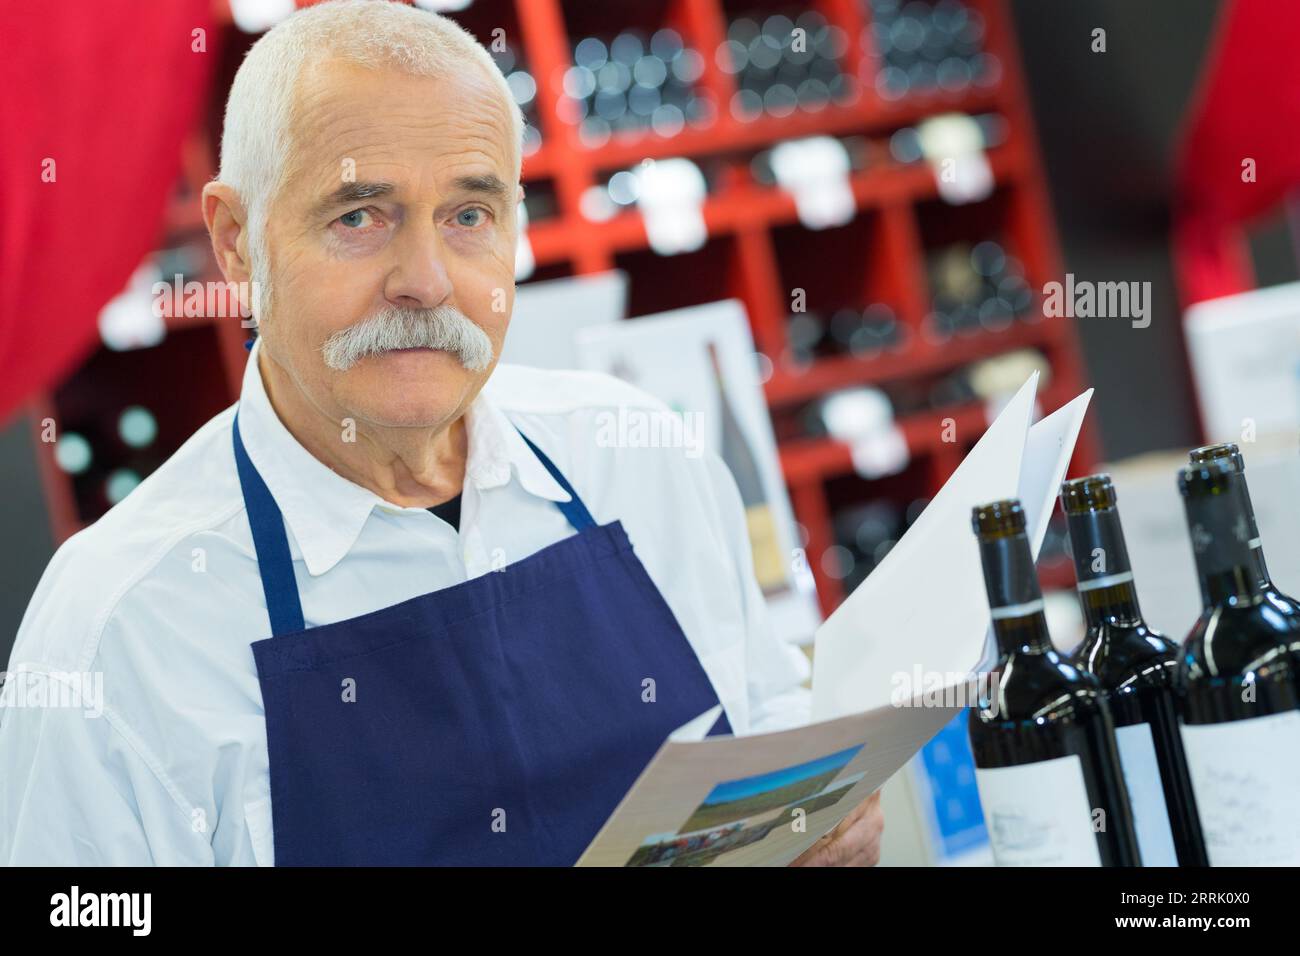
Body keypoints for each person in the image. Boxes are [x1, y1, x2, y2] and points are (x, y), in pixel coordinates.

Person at [0, 0, 882, 866]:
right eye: (359, 215)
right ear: (236, 243)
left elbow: (766, 716)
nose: (424, 280)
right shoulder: (121, 628)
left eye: (468, 215)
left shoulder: (635, 456)